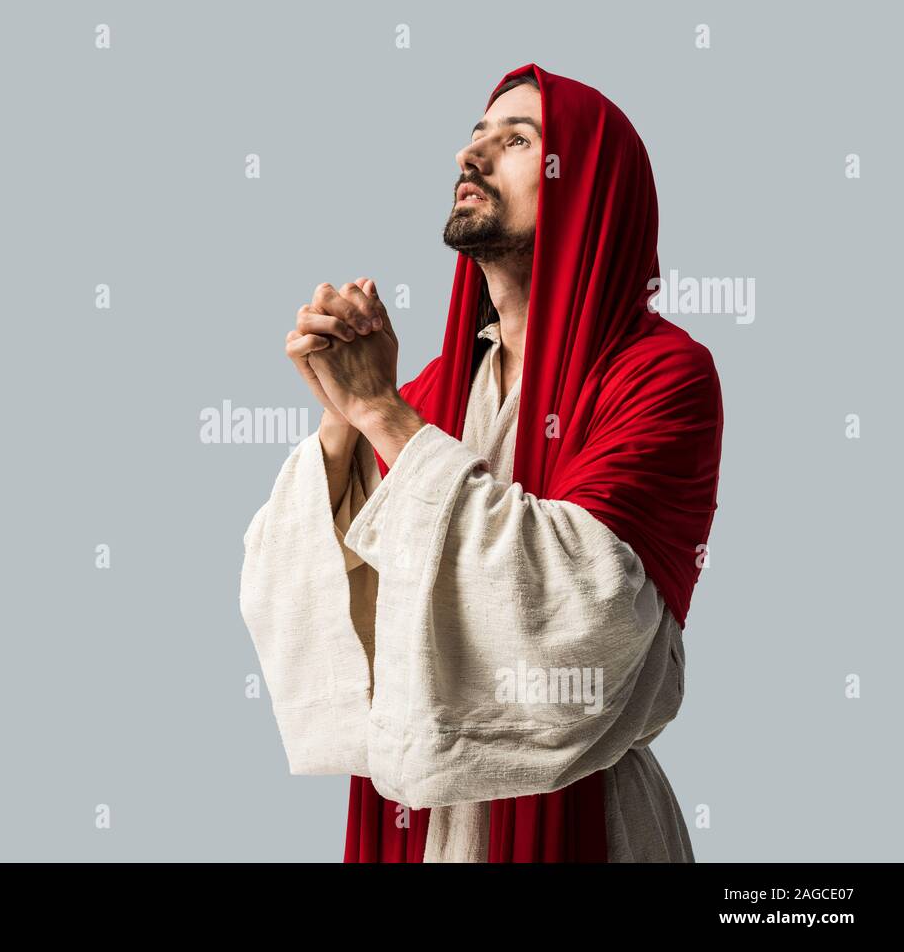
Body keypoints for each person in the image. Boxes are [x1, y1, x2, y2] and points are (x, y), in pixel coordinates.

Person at [239, 64, 724, 862]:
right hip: (423, 825)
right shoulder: (431, 394)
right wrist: (341, 421)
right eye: (474, 139)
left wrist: (385, 416)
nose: (473, 156)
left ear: (590, 185)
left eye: (517, 140)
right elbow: (306, 609)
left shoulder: (661, 373)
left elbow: (587, 613)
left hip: (588, 819)